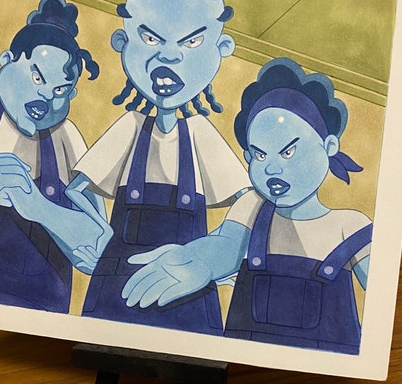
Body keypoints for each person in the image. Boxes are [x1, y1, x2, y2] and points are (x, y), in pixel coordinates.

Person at [122, 57, 372, 354]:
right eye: (260, 155)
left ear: (329, 146)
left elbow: (381, 300)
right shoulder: (253, 207)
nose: (272, 169)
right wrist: (198, 259)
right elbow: (227, 245)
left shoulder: (350, 226)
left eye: (288, 152)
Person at [67, 0, 250, 334]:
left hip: (187, 288)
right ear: (122, 43)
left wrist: (217, 254)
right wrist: (102, 234)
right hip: (116, 282)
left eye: (192, 41)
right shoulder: (130, 127)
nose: (169, 55)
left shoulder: (200, 133)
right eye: (150, 39)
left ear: (221, 48)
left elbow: (249, 200)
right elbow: (77, 189)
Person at [0, 0, 111, 313]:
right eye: (36, 77)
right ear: (7, 60)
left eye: (60, 90)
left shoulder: (68, 139)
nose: (45, 96)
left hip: (44, 307)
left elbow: (97, 244)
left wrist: (38, 208)